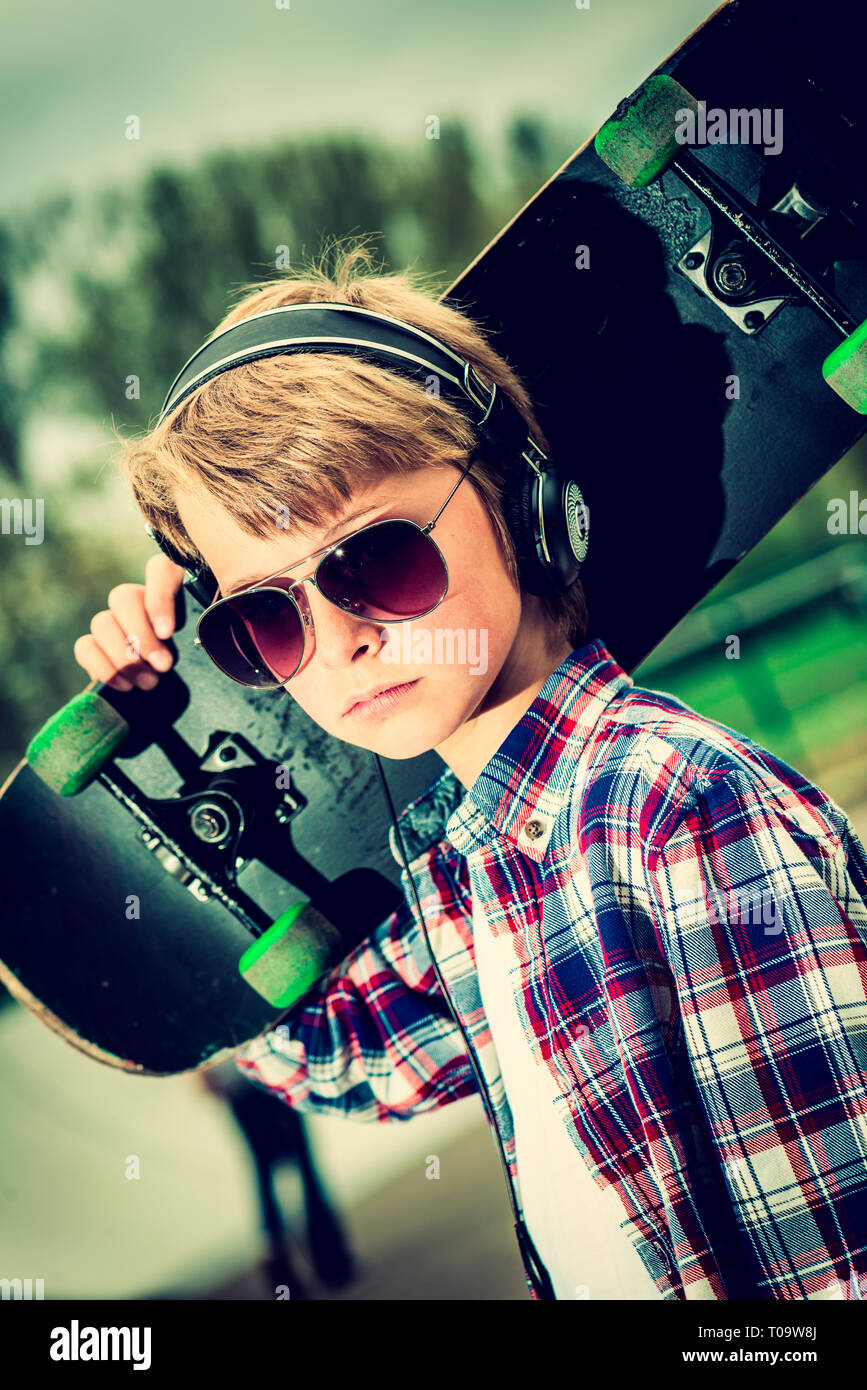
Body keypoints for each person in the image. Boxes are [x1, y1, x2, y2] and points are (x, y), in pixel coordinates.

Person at [74, 242, 867, 1302]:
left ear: (524, 506)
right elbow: (347, 1058)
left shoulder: (672, 812)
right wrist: (170, 738)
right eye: (264, 617)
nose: (342, 637)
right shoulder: (469, 864)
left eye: (377, 557)